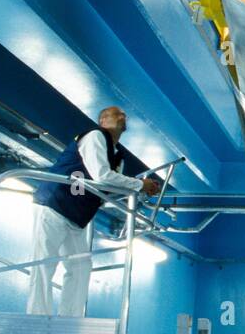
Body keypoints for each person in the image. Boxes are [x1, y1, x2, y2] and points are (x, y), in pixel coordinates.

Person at [26, 106, 161, 317]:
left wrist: (141, 187)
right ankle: (37, 315)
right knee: (45, 261)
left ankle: (70, 317)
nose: (123, 117)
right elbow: (101, 176)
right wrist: (139, 184)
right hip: (54, 203)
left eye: (124, 116)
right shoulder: (95, 136)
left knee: (81, 266)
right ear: (103, 120)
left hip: (77, 215)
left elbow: (111, 185)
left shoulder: (118, 156)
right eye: (118, 114)